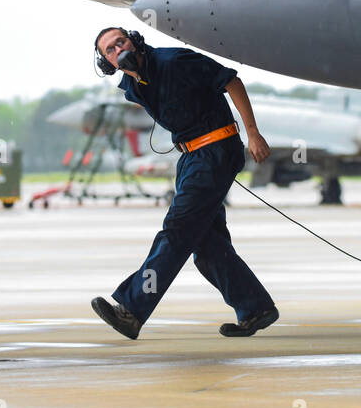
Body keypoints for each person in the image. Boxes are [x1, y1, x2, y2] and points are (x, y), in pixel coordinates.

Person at [89, 26, 278, 340]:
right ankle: (256, 307)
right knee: (206, 246)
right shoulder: (133, 86)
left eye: (120, 41)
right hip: (191, 158)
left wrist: (253, 133)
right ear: (107, 63)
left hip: (215, 151)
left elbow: (231, 80)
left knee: (177, 231)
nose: (117, 49)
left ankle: (132, 311)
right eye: (109, 49)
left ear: (134, 42)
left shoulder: (175, 61)